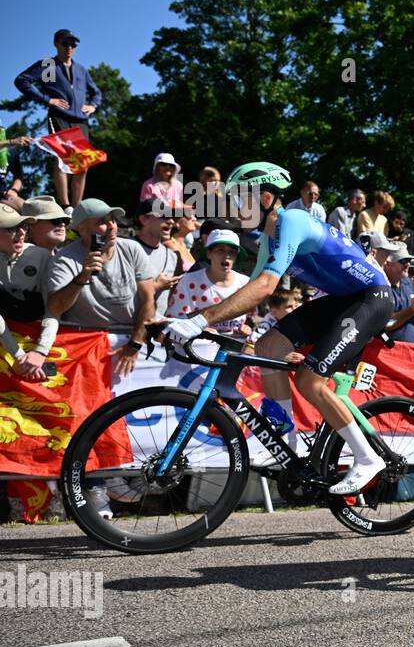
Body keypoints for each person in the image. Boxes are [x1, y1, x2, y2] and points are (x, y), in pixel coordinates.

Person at [163, 162, 394, 495]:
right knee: (268, 347)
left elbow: (266, 287)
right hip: (343, 300)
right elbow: (247, 292)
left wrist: (201, 321)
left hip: (372, 298)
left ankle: (367, 457)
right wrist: (189, 318)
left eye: (238, 200)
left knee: (309, 380)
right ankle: (287, 442)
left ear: (265, 197)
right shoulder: (270, 241)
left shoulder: (292, 221)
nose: (232, 209)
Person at [44, 198, 159, 378]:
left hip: (131, 339)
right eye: (102, 222)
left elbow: (148, 300)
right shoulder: (64, 259)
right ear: (82, 229)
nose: (112, 226)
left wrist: (135, 344)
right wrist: (82, 277)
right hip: (86, 344)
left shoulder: (131, 248)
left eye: (112, 219)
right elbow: (55, 308)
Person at [13, 29, 101, 207]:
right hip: (60, 117)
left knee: (83, 164)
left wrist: (93, 105)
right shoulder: (49, 66)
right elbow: (22, 81)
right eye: (65, 43)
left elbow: (96, 92)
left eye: (73, 44)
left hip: (80, 120)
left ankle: (77, 207)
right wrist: (47, 99)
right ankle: (65, 205)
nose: (69, 47)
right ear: (56, 43)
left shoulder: (81, 70)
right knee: (62, 158)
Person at [0, 204, 59, 379]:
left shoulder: (41, 256)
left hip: (41, 335)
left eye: (23, 226)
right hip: (9, 341)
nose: (20, 233)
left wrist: (41, 351)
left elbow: (54, 308)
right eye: (12, 228)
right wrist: (18, 355)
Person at [166, 229, 251, 335]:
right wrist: (200, 330)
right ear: (209, 254)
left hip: (234, 348)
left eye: (232, 252)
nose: (227, 255)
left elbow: (250, 320)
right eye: (220, 250)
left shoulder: (246, 283)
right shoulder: (189, 281)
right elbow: (174, 320)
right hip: (196, 347)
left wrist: (246, 328)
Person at [131, 200, 185, 312]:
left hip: (159, 326)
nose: (171, 221)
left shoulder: (172, 257)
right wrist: (155, 286)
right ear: (144, 219)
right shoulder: (125, 249)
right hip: (127, 326)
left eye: (172, 217)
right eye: (164, 216)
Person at [376, 239, 414, 344]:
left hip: (411, 353)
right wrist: (413, 310)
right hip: (388, 355)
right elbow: (385, 325)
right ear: (388, 264)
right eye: (403, 261)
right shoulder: (380, 286)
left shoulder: (407, 281)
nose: (408, 265)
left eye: (409, 261)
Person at [1, 128, 32, 209]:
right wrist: (11, 142)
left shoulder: (11, 151)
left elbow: (19, 176)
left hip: (2, 195)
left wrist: (14, 190)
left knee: (29, 209)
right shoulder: (10, 144)